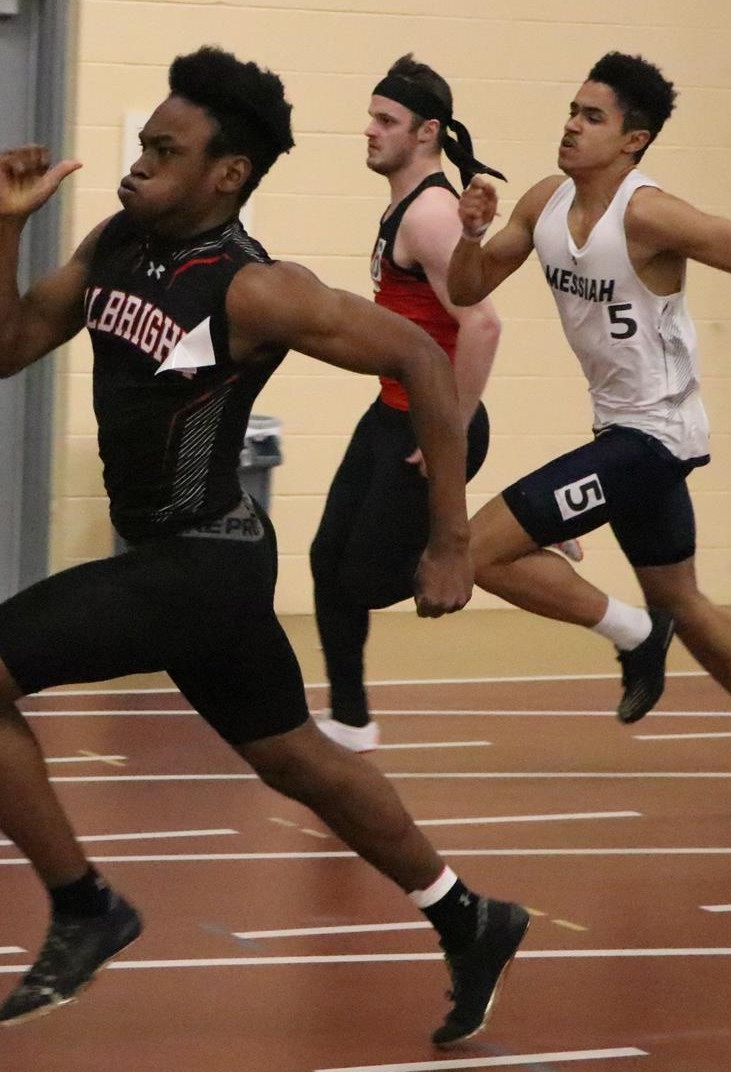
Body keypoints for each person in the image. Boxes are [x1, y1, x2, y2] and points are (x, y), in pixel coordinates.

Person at [0, 46, 527, 1047]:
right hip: (199, 562)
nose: (139, 163)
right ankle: (469, 915)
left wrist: (449, 538)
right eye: (144, 143)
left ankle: (85, 907)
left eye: (166, 149)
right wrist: (2, 229)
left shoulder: (252, 288)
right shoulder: (116, 242)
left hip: (200, 559)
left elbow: (421, 352)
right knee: (302, 762)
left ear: (226, 173)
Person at [446, 52, 731, 815]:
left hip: (656, 436)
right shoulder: (545, 202)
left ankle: (631, 635)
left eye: (593, 116)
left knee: (474, 548)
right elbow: (467, 287)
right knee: (683, 600)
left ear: (634, 139)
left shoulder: (649, 215)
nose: (570, 124)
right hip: (619, 429)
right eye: (572, 108)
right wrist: (470, 232)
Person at [310, 55, 507, 754]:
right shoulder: (406, 204)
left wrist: (447, 425)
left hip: (430, 423)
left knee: (363, 579)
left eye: (384, 121)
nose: (369, 130)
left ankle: (503, 537)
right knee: (326, 562)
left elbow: (482, 322)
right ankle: (352, 720)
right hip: (391, 412)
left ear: (426, 132)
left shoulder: (429, 215)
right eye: (371, 116)